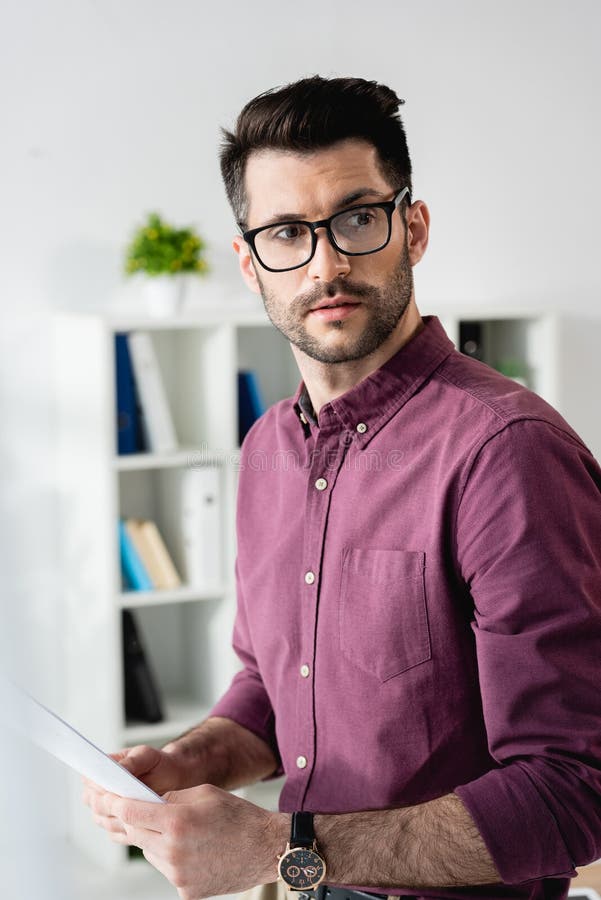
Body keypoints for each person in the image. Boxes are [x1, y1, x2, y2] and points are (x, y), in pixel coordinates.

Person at [84, 76, 601, 900]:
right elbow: (269, 686)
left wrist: (280, 848)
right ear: (249, 264)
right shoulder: (264, 452)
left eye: (357, 218)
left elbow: (574, 791)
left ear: (413, 227)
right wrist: (189, 760)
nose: (326, 263)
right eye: (288, 232)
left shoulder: (507, 454)